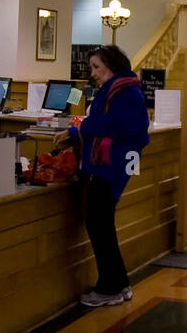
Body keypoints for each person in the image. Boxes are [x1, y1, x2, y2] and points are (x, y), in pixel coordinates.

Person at [53, 45, 150, 307]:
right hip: (106, 164)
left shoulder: (126, 91)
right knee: (102, 225)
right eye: (91, 67)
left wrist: (80, 129)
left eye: (97, 67)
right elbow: (104, 123)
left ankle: (109, 288)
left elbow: (117, 126)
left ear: (112, 65)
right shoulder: (117, 89)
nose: (93, 73)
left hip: (110, 166)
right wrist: (79, 132)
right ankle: (120, 283)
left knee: (99, 225)